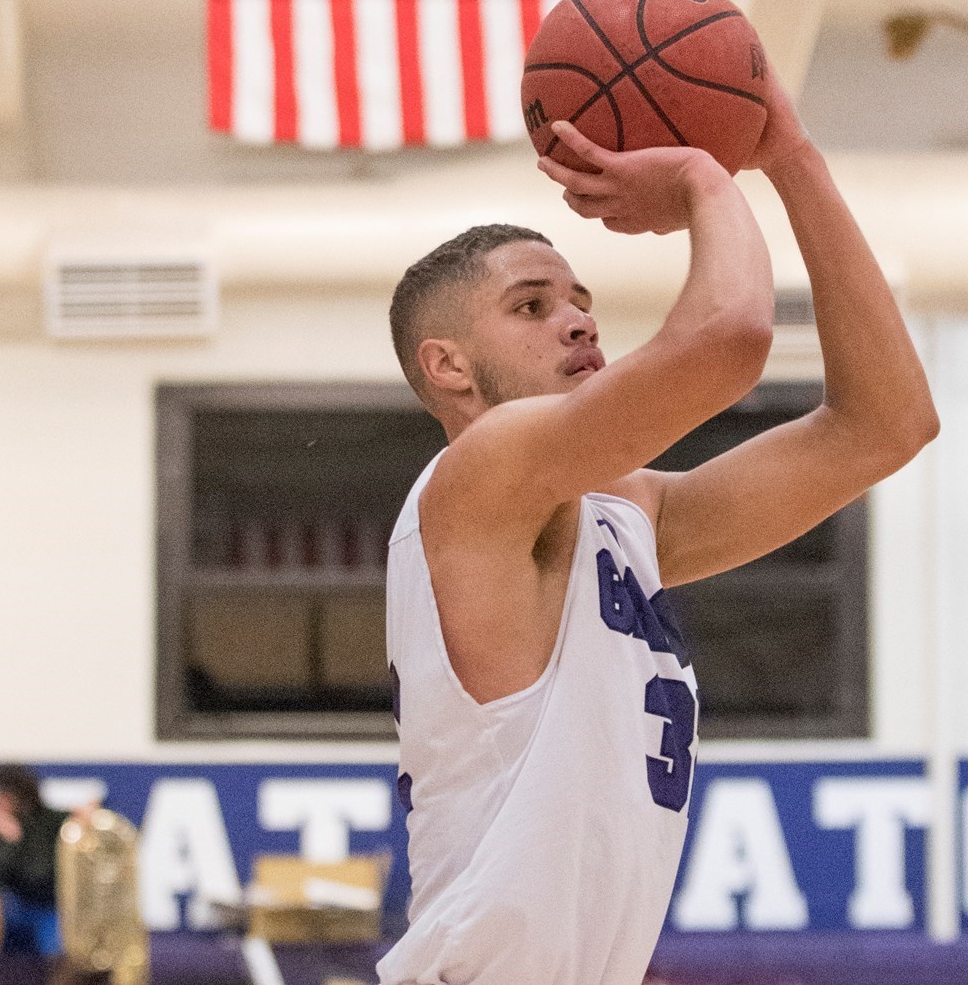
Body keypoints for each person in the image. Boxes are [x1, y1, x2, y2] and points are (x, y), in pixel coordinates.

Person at [376, 68, 938, 985]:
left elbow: (885, 426)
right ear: (449, 366)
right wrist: (703, 179)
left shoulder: (627, 515)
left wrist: (790, 156)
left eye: (580, 301)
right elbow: (728, 340)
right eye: (532, 306)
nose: (578, 322)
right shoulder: (476, 478)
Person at [0, 764, 70, 985]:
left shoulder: (56, 822)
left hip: (50, 910)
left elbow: (41, 874)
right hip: (10, 912)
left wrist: (19, 840)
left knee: (69, 937)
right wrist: (7, 842)